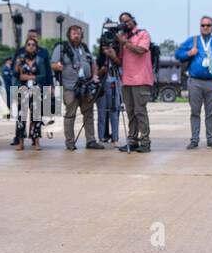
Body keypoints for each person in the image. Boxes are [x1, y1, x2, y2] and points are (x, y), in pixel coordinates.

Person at [174, 16, 212, 149]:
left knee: (210, 113)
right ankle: (194, 140)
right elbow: (177, 54)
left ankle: (211, 140)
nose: (205, 27)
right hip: (195, 82)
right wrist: (188, 53)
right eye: (203, 25)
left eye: (208, 25)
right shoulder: (193, 41)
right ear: (200, 26)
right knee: (195, 112)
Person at [103, 12, 153, 153]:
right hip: (127, 80)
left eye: (128, 20)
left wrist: (124, 42)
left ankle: (145, 142)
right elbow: (121, 62)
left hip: (141, 79)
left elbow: (140, 50)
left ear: (133, 20)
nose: (126, 23)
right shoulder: (122, 38)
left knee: (140, 111)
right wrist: (112, 54)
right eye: (123, 22)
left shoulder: (143, 34)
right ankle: (132, 141)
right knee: (130, 112)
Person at [52, 24, 103, 150]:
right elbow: (52, 64)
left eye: (78, 33)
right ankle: (70, 142)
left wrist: (95, 75)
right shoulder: (61, 47)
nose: (76, 35)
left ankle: (91, 140)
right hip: (70, 87)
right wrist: (57, 66)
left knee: (89, 114)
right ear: (69, 35)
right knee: (70, 115)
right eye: (74, 33)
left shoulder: (84, 48)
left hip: (86, 86)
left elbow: (93, 63)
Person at [12, 38, 46, 150]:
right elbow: (16, 73)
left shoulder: (40, 60)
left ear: (36, 47)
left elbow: (43, 75)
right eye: (29, 44)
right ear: (25, 46)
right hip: (23, 89)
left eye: (33, 45)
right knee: (21, 116)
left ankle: (36, 141)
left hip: (36, 89)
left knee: (36, 116)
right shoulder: (21, 58)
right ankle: (20, 142)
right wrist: (17, 64)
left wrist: (31, 77)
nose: (31, 46)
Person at [96, 48, 123, 144]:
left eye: (108, 47)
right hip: (102, 88)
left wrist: (113, 57)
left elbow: (121, 69)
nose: (106, 49)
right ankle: (101, 137)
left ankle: (115, 137)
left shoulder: (116, 58)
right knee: (102, 114)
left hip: (115, 86)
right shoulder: (99, 59)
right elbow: (95, 75)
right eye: (104, 47)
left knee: (114, 113)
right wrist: (101, 71)